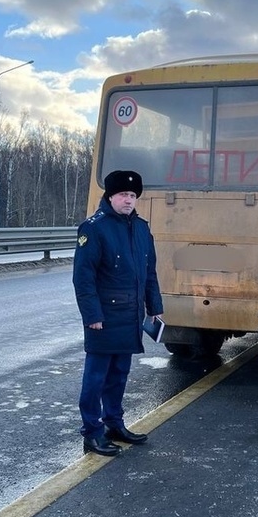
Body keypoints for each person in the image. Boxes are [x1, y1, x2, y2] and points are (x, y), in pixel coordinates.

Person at [73, 170, 163, 456]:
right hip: (104, 316)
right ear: (110, 196)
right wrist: (92, 316)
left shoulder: (141, 228)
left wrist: (155, 308)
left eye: (133, 196)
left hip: (131, 314)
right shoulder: (94, 228)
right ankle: (92, 431)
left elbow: (150, 273)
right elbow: (83, 278)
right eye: (124, 195)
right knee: (96, 377)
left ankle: (114, 424)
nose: (129, 200)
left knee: (120, 374)